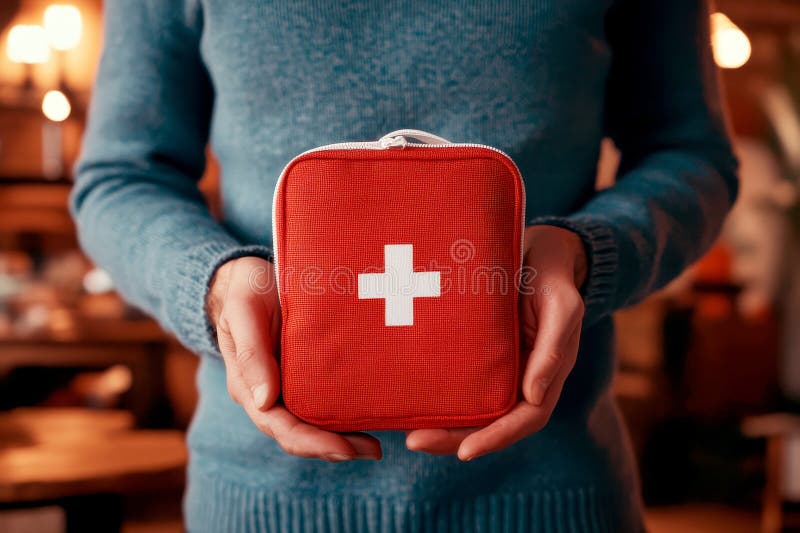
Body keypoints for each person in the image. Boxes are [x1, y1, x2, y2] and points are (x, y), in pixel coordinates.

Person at [71, 1, 738, 531]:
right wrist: (214, 284)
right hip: (260, 497)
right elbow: (121, 175)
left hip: (549, 489)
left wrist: (588, 251)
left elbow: (689, 153)